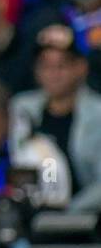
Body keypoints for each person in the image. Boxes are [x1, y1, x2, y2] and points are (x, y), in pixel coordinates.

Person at [10, 26, 101, 212]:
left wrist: (69, 213)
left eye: (61, 66)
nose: (53, 74)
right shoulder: (20, 107)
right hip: (31, 215)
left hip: (85, 220)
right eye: (45, 66)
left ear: (81, 67)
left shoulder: (98, 113)